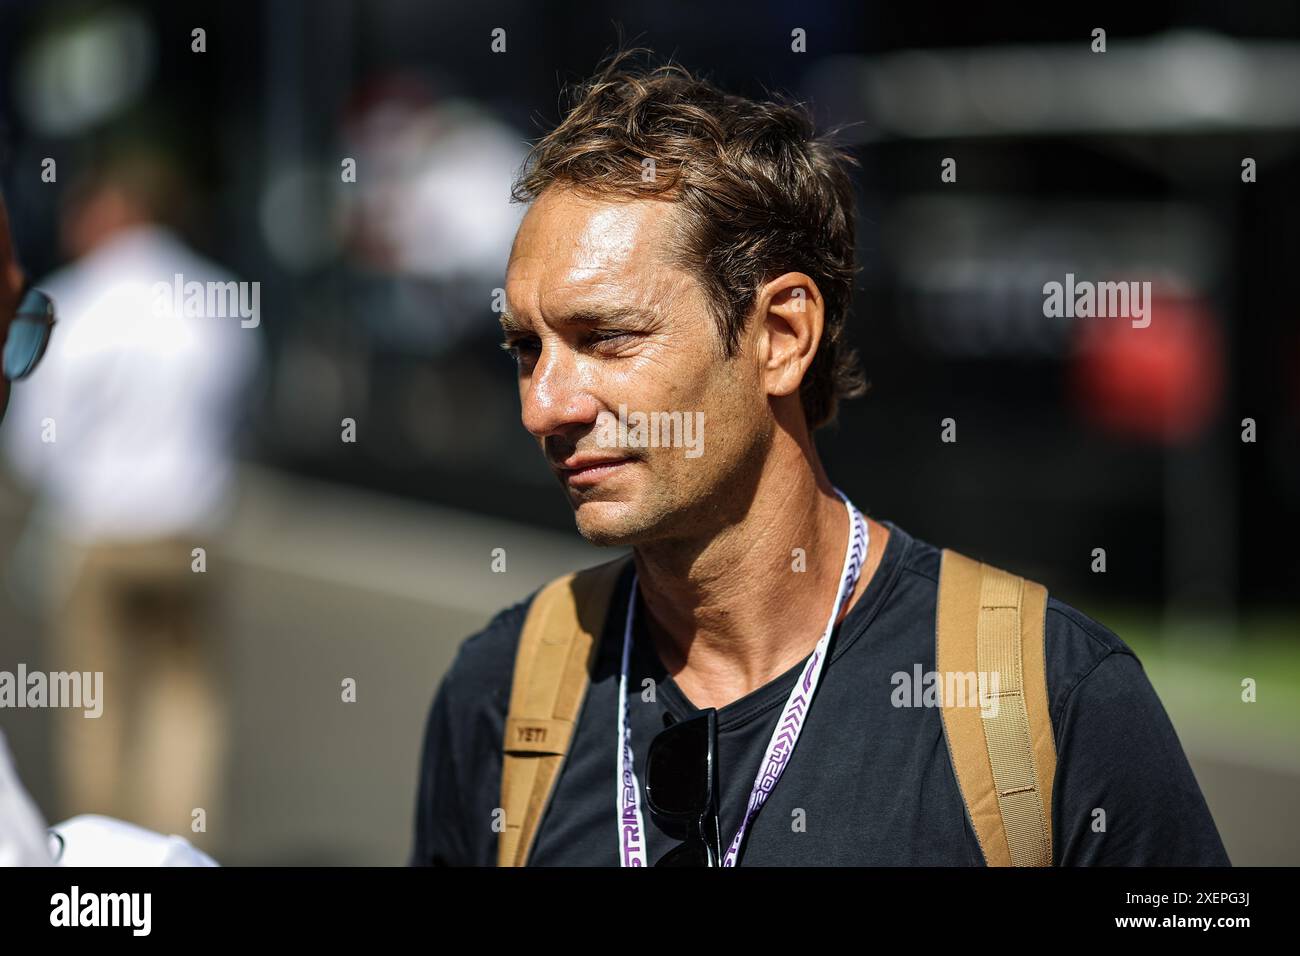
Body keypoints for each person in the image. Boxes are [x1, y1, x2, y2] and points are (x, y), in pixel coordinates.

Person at [409, 52, 1230, 866]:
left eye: (607, 338)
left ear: (781, 337)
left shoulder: (1049, 698)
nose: (542, 405)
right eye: (526, 347)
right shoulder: (503, 695)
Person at [1, 151, 262, 843]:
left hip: (98, 533)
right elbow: (236, 412)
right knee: (188, 705)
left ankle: (106, 872)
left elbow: (33, 444)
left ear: (111, 211)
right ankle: (181, 849)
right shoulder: (217, 297)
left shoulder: (76, 302)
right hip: (190, 531)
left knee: (96, 710)